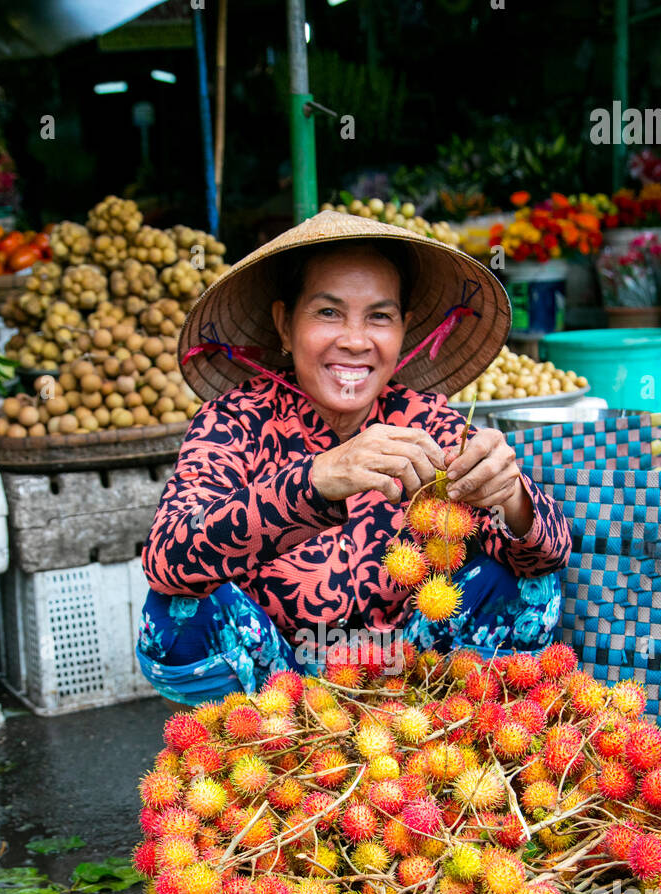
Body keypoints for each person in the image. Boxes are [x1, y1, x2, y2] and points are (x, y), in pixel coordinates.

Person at [137, 209, 571, 703]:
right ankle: (243, 743)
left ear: (403, 330)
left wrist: (512, 496)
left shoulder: (427, 422)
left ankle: (452, 727)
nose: (355, 340)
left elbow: (549, 551)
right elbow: (164, 556)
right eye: (328, 312)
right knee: (179, 599)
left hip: (406, 671)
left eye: (379, 317)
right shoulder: (235, 421)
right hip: (272, 680)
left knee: (531, 580)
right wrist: (316, 481)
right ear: (284, 324)